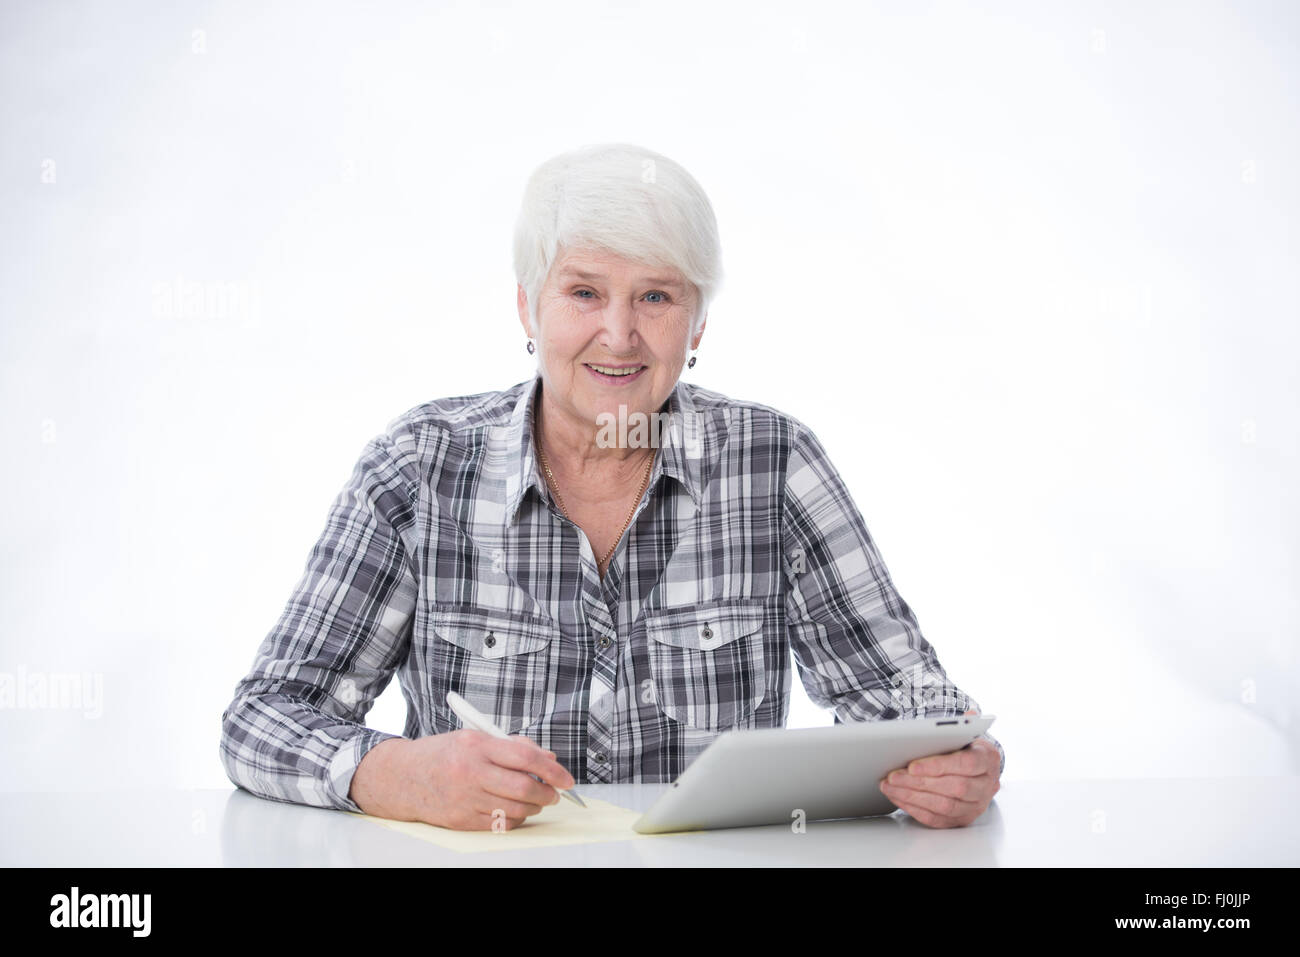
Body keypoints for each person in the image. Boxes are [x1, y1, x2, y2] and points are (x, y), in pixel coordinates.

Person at [219, 143, 1004, 832]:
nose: (620, 334)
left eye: (656, 297)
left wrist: (958, 758)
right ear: (528, 305)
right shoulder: (419, 467)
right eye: (585, 292)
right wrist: (396, 775)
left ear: (697, 325)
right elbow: (260, 719)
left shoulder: (775, 463)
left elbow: (908, 699)